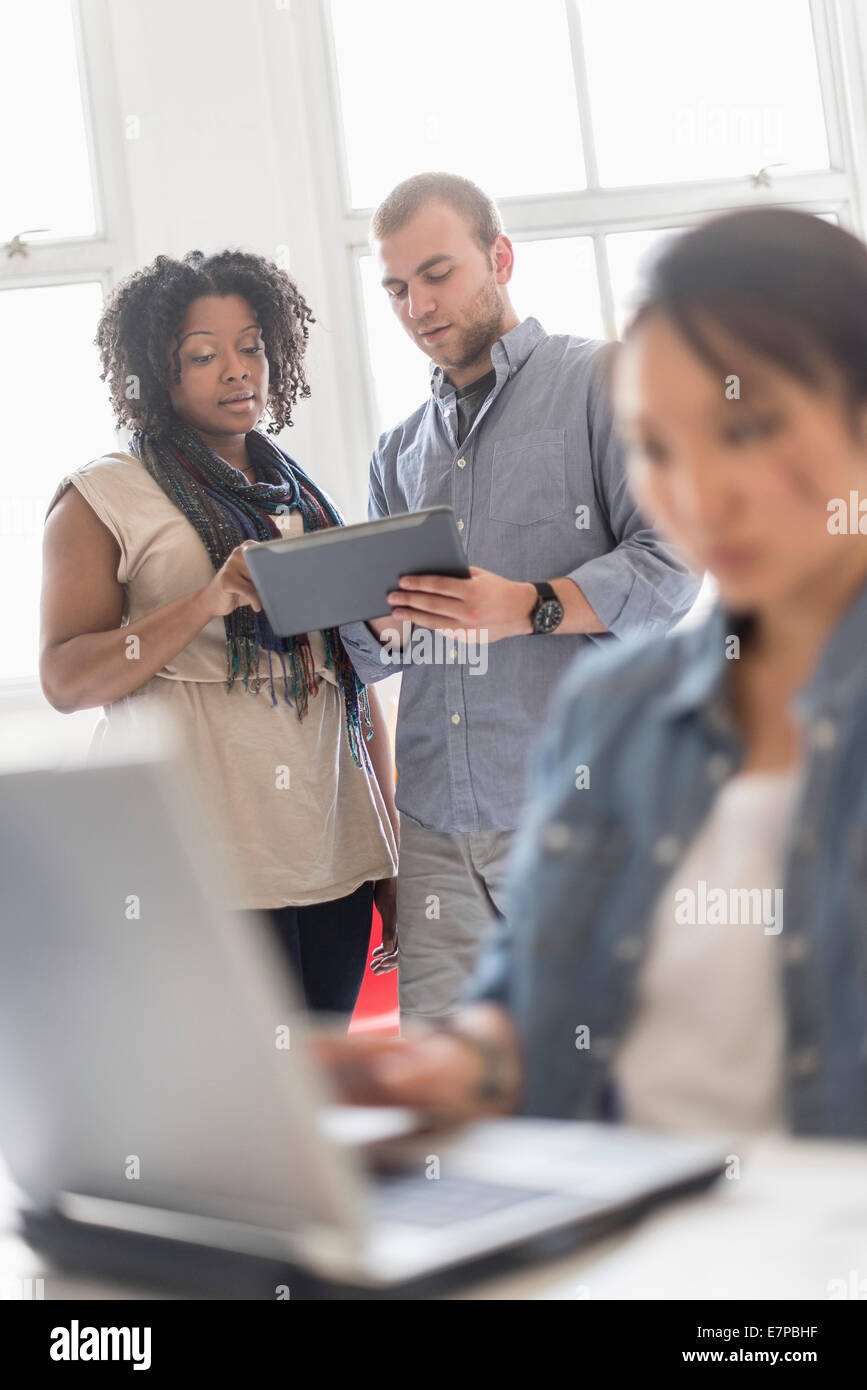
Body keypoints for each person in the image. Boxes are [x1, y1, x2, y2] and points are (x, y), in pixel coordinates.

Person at [319, 206, 867, 1137]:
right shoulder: (615, 717)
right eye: (658, 449)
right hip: (644, 1240)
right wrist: (425, 1071)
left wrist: (531, 604)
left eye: (747, 427)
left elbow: (653, 576)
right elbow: (535, 1016)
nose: (700, 494)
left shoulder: (582, 382)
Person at [339, 172, 699, 1023]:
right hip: (434, 830)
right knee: (448, 1100)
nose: (417, 306)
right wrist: (371, 619)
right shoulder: (397, 453)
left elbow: (674, 567)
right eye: (395, 289)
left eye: (437, 274)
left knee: (602, 1088)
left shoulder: (602, 382)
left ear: (498, 257)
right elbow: (371, 657)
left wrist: (530, 604)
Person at [39, 250, 398, 1017]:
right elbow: (66, 682)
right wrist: (207, 601)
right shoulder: (102, 497)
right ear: (154, 372)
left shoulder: (302, 495)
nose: (237, 371)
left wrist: (389, 856)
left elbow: (350, 689)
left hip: (331, 855)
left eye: (252, 347)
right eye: (202, 356)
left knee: (325, 1109)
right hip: (201, 868)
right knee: (230, 1124)